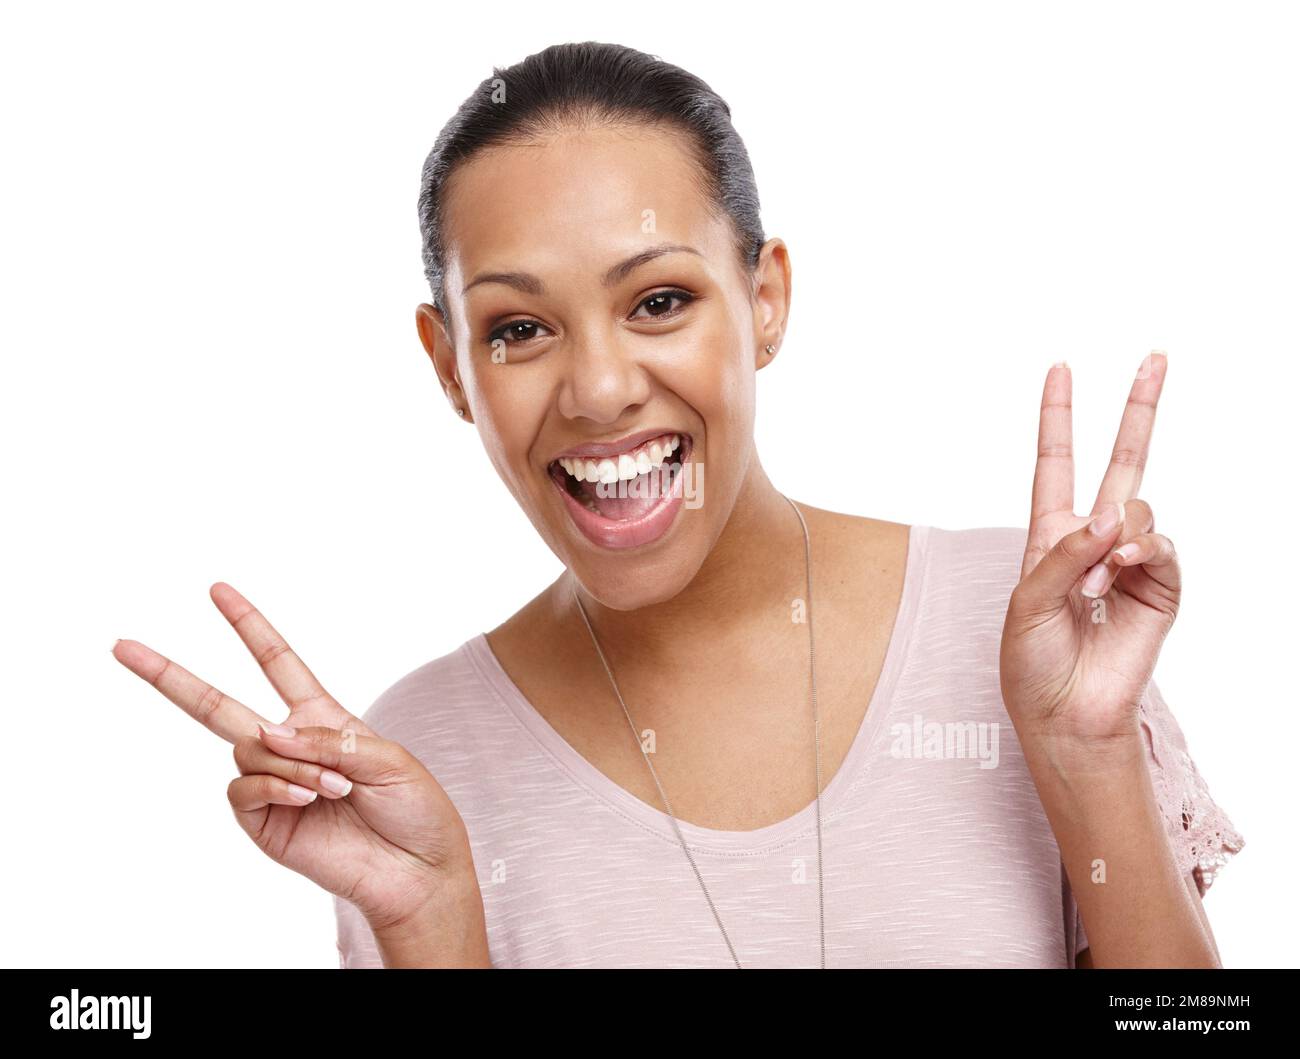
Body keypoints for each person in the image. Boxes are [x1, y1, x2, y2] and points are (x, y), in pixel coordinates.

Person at [112, 41, 1243, 968]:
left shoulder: (1026, 631)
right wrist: (432, 928)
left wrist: (1084, 754)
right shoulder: (414, 759)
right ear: (451, 367)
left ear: (764, 300)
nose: (599, 390)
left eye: (657, 300)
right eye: (517, 328)